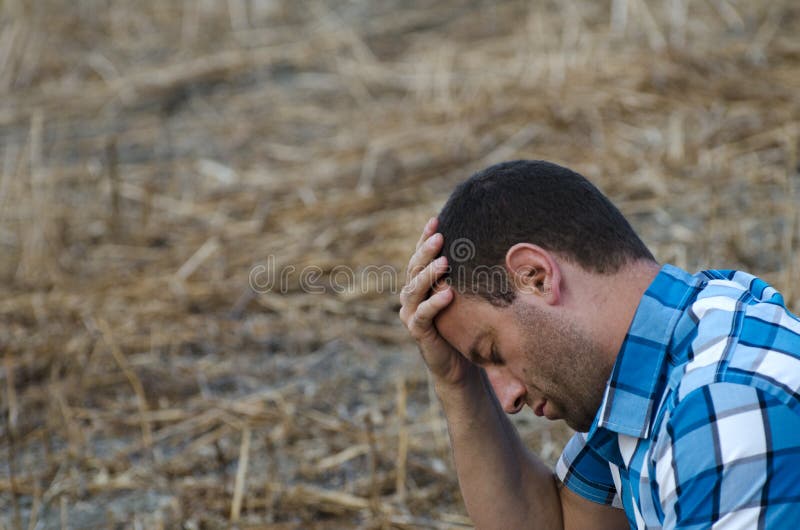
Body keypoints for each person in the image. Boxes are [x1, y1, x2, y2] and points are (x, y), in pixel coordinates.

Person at [398, 160, 800, 529]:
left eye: (494, 354)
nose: (508, 399)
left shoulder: (726, 409)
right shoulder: (646, 378)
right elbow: (551, 524)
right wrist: (458, 383)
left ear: (535, 277)